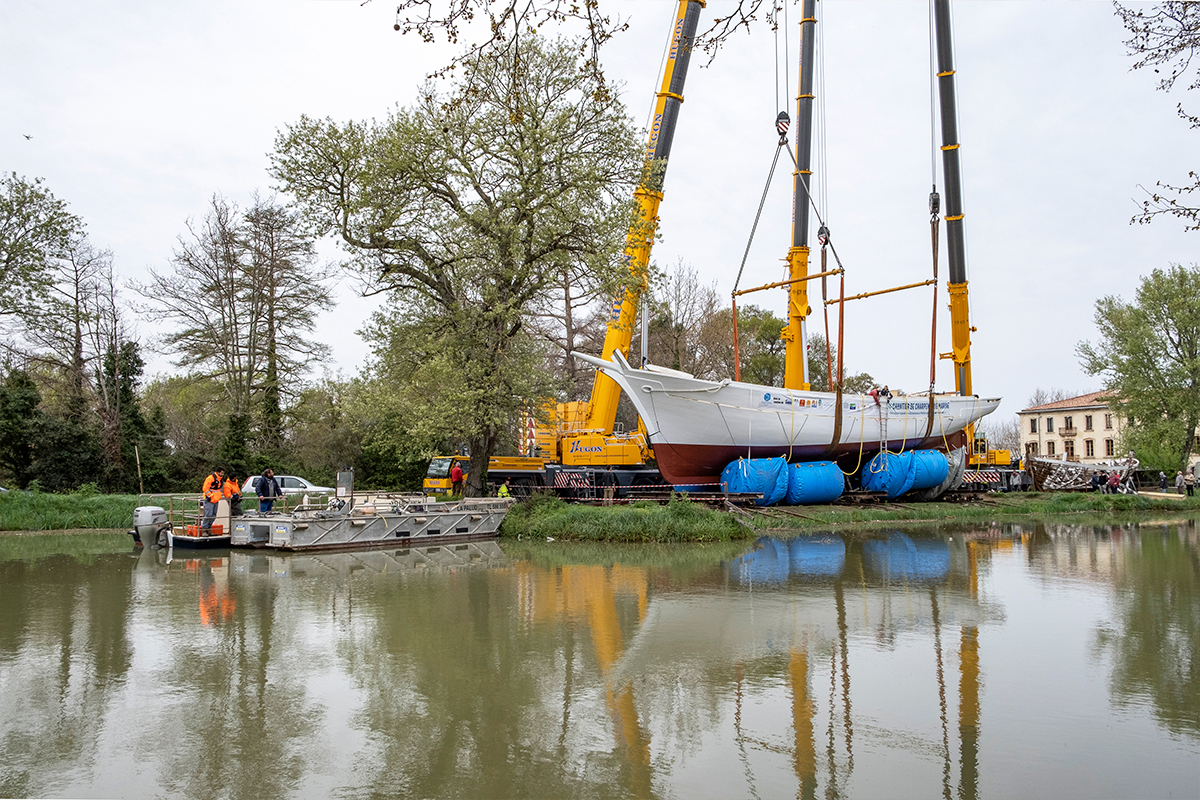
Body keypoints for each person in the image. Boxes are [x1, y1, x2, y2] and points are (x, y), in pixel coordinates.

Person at [201, 467, 226, 535]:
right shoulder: (210, 478)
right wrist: (210, 496)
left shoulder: (220, 480)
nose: (223, 474)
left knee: (213, 515)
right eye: (222, 473)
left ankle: (209, 530)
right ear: (218, 472)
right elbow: (205, 488)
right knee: (208, 515)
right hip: (209, 500)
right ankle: (204, 530)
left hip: (216, 500)